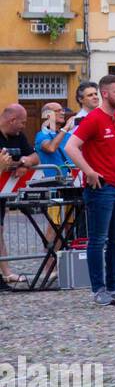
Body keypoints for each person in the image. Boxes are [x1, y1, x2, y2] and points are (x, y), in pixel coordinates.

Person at [63, 75, 115, 305]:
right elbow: (71, 146)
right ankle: (98, 289)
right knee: (98, 240)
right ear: (105, 94)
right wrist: (89, 171)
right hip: (102, 189)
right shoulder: (94, 119)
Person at [0, 104, 41, 288]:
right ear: (12, 120)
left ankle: (6, 273)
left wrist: (24, 162)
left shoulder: (18, 136)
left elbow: (34, 156)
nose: (24, 126)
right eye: (22, 123)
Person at [35, 103, 73, 178]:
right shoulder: (42, 135)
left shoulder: (67, 135)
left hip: (72, 182)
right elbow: (51, 148)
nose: (62, 113)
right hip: (52, 183)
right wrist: (66, 127)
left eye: (62, 110)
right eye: (58, 111)